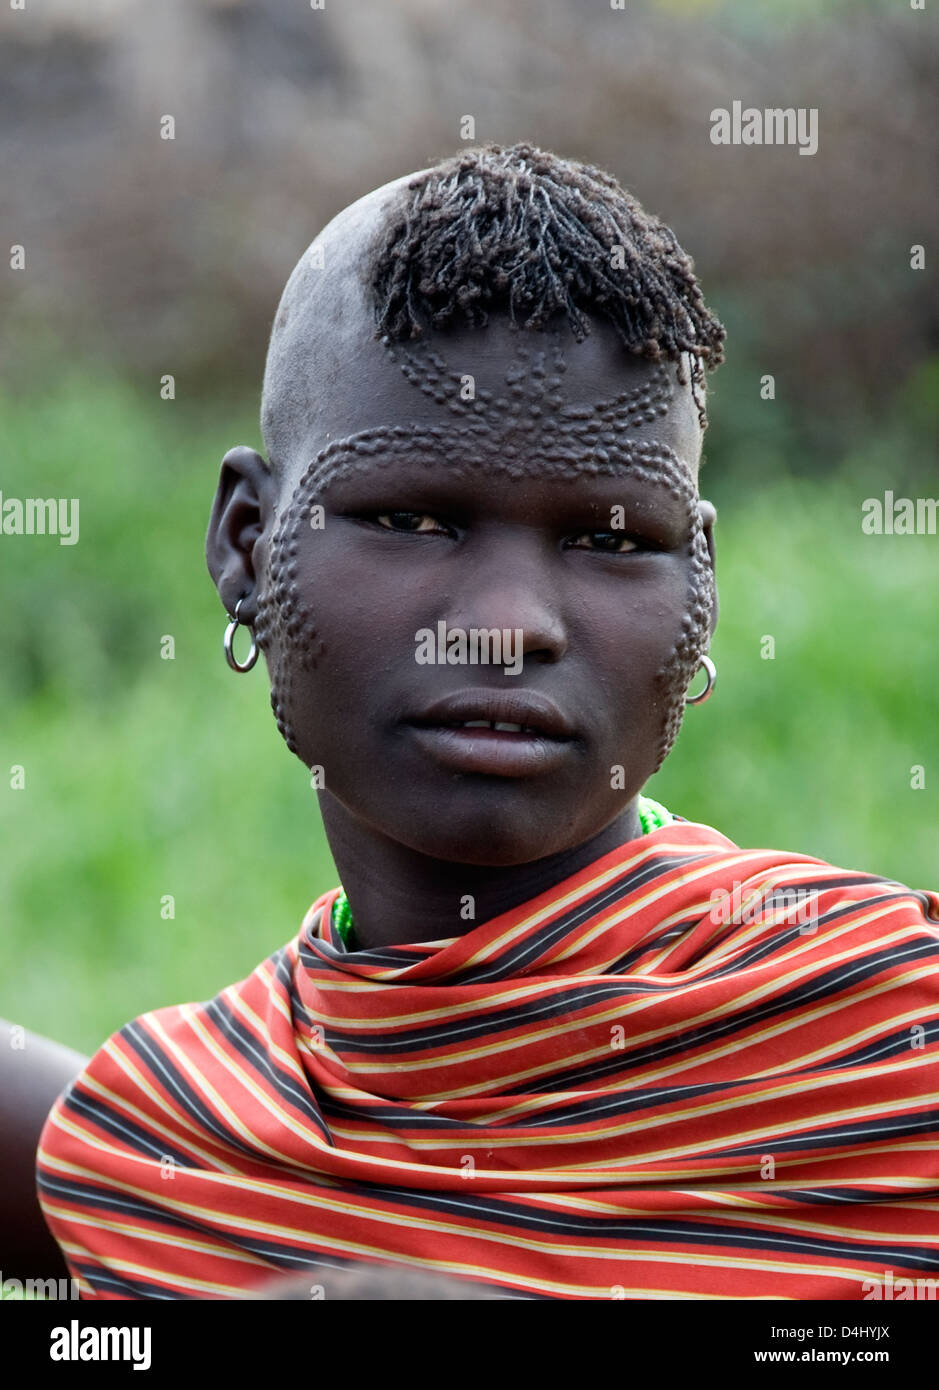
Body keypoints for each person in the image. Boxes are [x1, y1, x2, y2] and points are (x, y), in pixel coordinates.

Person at [32, 143, 939, 1300]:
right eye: (411, 518)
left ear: (700, 582)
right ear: (249, 546)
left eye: (612, 539)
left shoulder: (893, 1034)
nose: (508, 628)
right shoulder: (160, 1152)